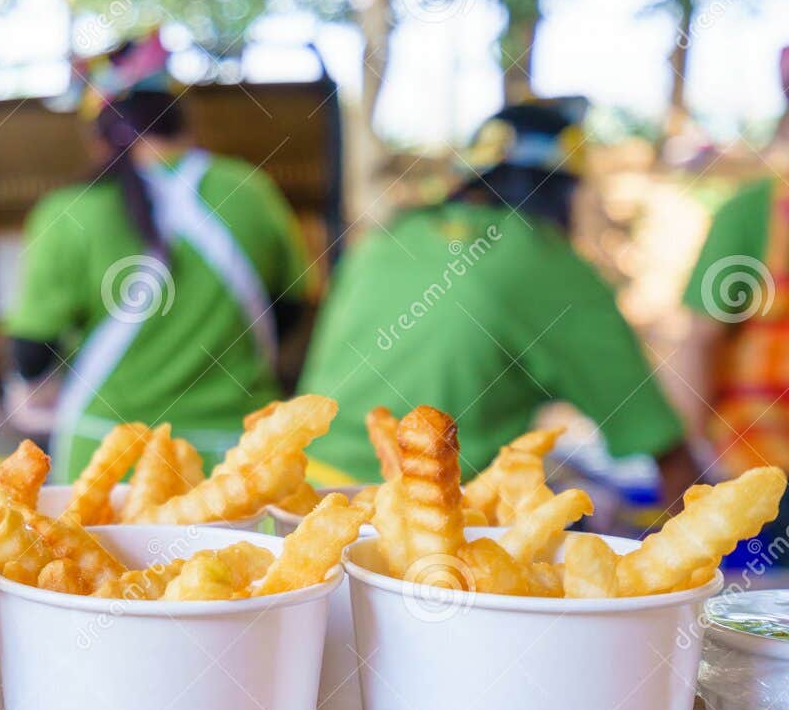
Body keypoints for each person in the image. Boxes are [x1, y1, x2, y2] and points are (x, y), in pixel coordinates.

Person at [300, 98, 700, 502]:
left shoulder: (389, 238)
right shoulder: (543, 259)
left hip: (309, 493)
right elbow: (659, 440)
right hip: (428, 516)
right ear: (564, 191)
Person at [1, 32, 314, 482]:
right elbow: (289, 309)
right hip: (237, 457)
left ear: (98, 134)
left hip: (109, 460)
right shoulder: (251, 191)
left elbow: (31, 350)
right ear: (183, 120)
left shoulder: (71, 211)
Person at [681, 51, 789, 480]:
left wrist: (686, 464)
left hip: (759, 461)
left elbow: (701, 339)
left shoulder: (752, 211)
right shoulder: (751, 212)